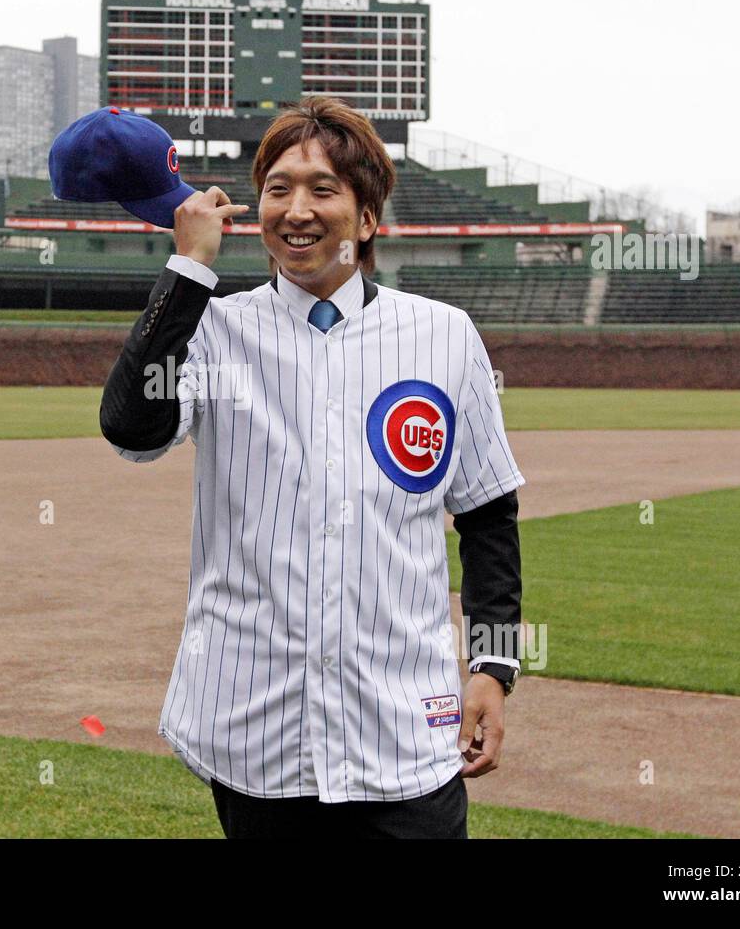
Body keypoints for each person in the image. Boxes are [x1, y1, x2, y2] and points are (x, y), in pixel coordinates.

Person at [100, 96, 524, 839]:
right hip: (258, 730)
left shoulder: (444, 336)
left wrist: (493, 665)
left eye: (323, 189)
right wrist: (188, 268)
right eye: (278, 189)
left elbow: (487, 511)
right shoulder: (216, 329)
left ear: (365, 218)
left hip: (404, 732)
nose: (297, 209)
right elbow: (130, 429)